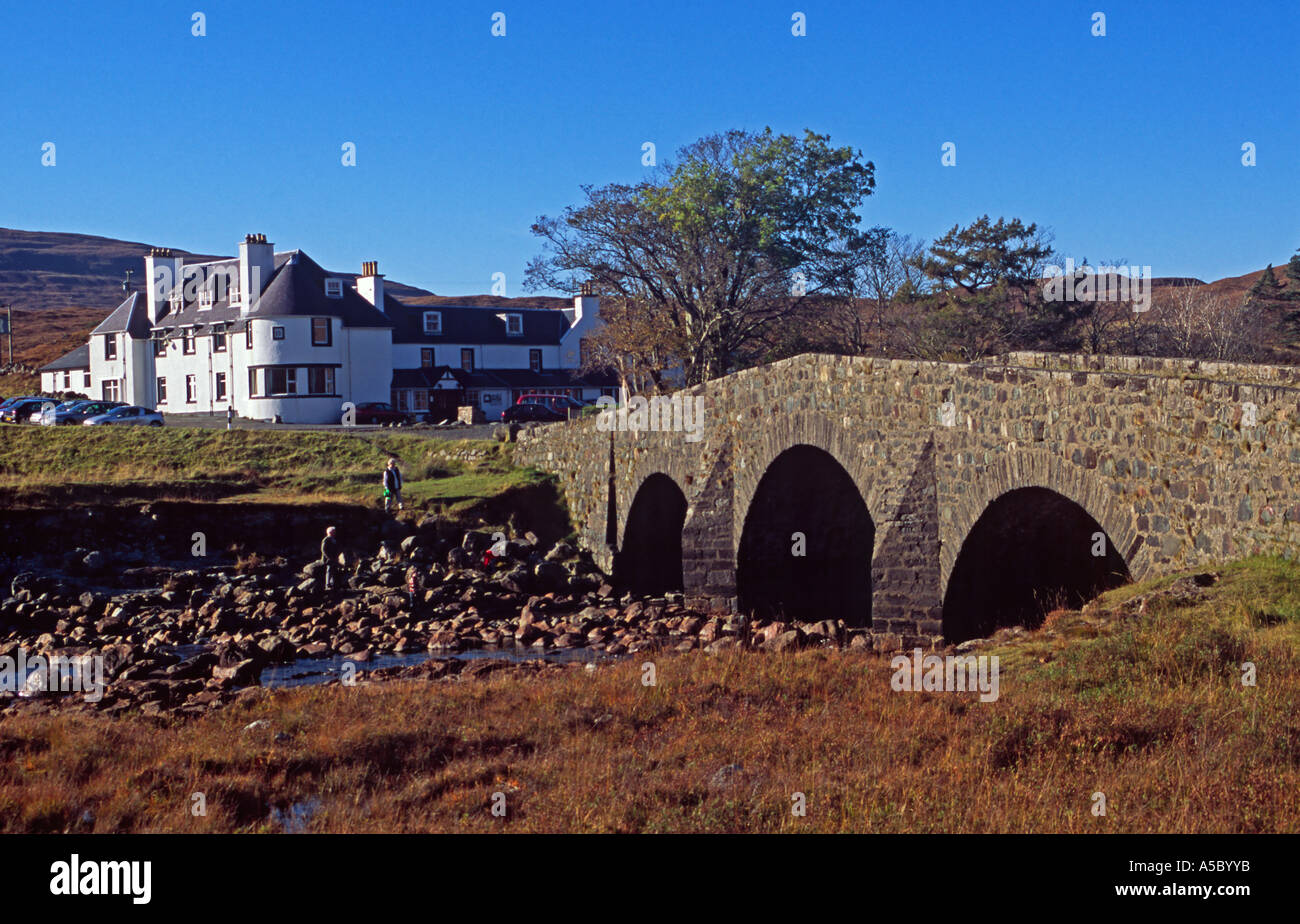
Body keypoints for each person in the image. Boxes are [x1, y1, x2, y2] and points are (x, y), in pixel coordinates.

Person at [320, 526, 340, 590]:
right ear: (330, 532)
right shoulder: (326, 539)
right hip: (328, 559)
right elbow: (323, 550)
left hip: (333, 558)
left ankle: (332, 584)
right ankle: (327, 584)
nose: (335, 533)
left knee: (333, 570)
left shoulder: (333, 539)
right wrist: (329, 557)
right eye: (334, 531)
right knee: (329, 570)